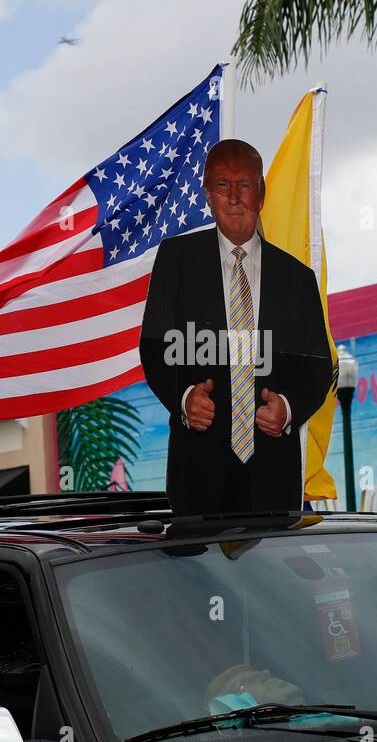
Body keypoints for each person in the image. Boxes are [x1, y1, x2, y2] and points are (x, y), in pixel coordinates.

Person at [139, 138, 333, 515]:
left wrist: (289, 409)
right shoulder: (175, 261)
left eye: (244, 185)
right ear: (208, 195)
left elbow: (317, 366)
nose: (234, 197)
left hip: (274, 486)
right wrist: (183, 399)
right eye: (222, 186)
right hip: (196, 485)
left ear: (261, 194)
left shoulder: (297, 278)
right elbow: (154, 348)